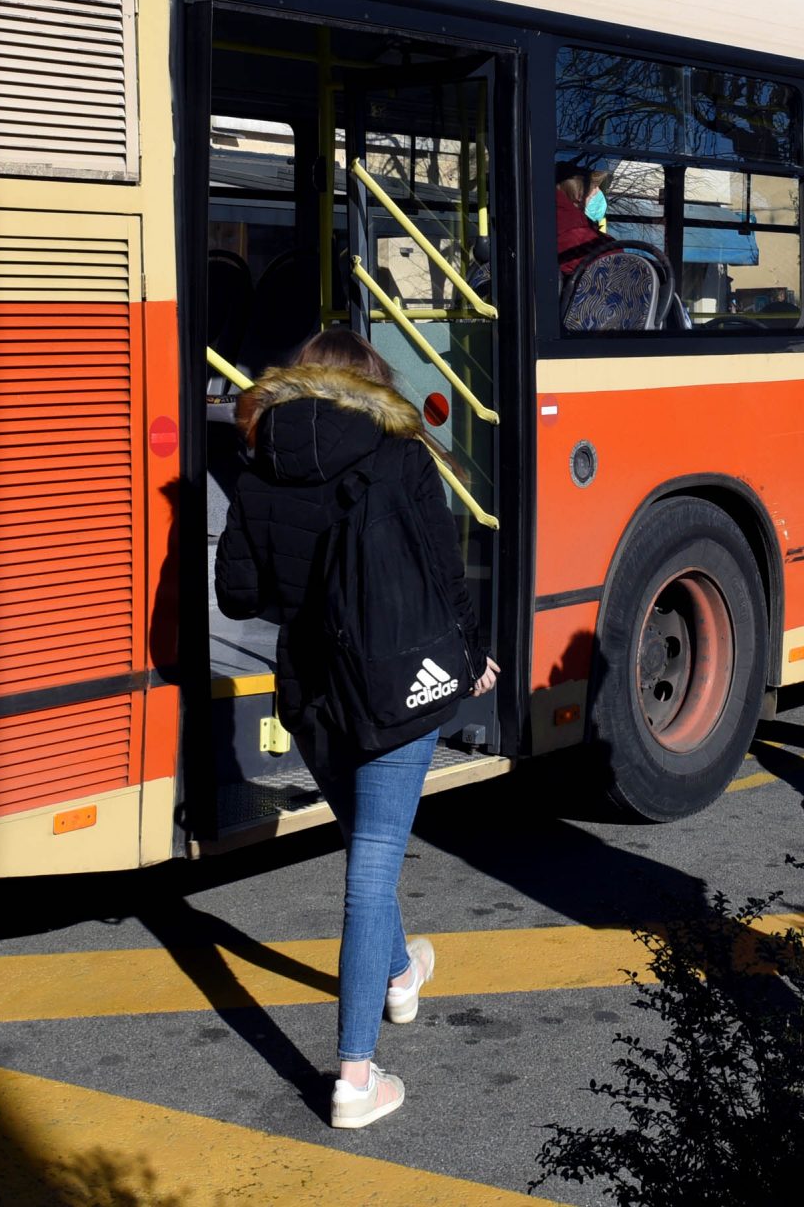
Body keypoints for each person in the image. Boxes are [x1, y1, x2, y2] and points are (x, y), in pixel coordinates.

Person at [216, 330, 498, 1129]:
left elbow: (238, 594)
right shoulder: (400, 454)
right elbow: (446, 573)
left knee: (367, 844)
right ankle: (354, 1076)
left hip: (310, 692)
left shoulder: (259, 460)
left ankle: (402, 973)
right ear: (371, 383)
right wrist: (472, 659)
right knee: (372, 870)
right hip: (393, 691)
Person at [556, 163, 610, 283]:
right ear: (579, 197)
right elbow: (609, 260)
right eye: (594, 187)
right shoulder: (574, 229)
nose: (597, 191)